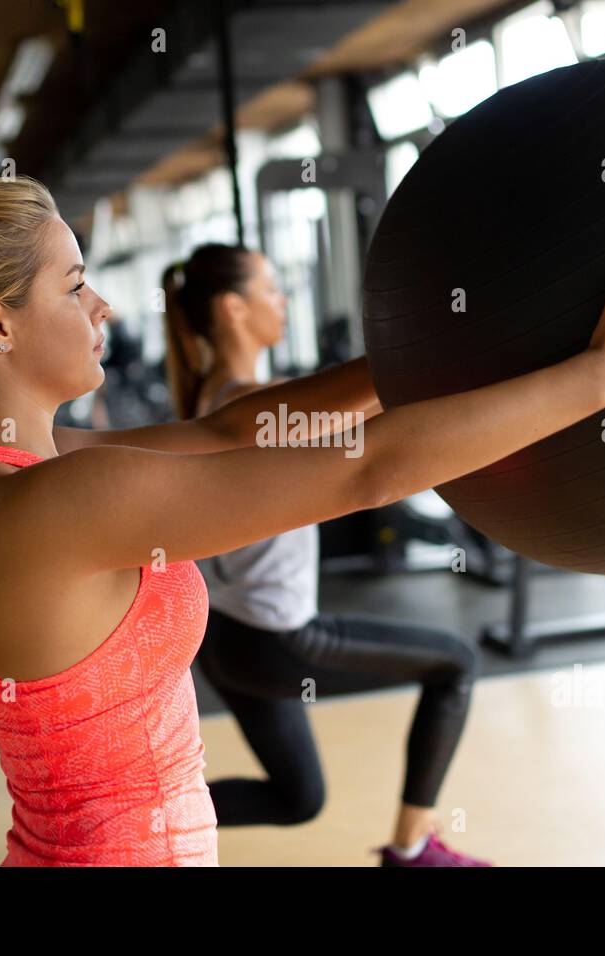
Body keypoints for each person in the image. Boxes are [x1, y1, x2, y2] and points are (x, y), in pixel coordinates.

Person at [0, 175, 605, 866]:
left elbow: (238, 426)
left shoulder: (2, 480)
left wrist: (436, 351)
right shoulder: (60, 501)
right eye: (73, 286)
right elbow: (367, 469)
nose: (103, 305)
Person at [162, 243, 488, 866]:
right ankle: (413, 850)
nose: (283, 300)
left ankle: (135, 815)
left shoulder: (209, 394)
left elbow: (364, 404)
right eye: (271, 288)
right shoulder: (252, 403)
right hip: (273, 638)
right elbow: (374, 412)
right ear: (233, 309)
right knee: (455, 663)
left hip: (225, 638)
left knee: (297, 799)